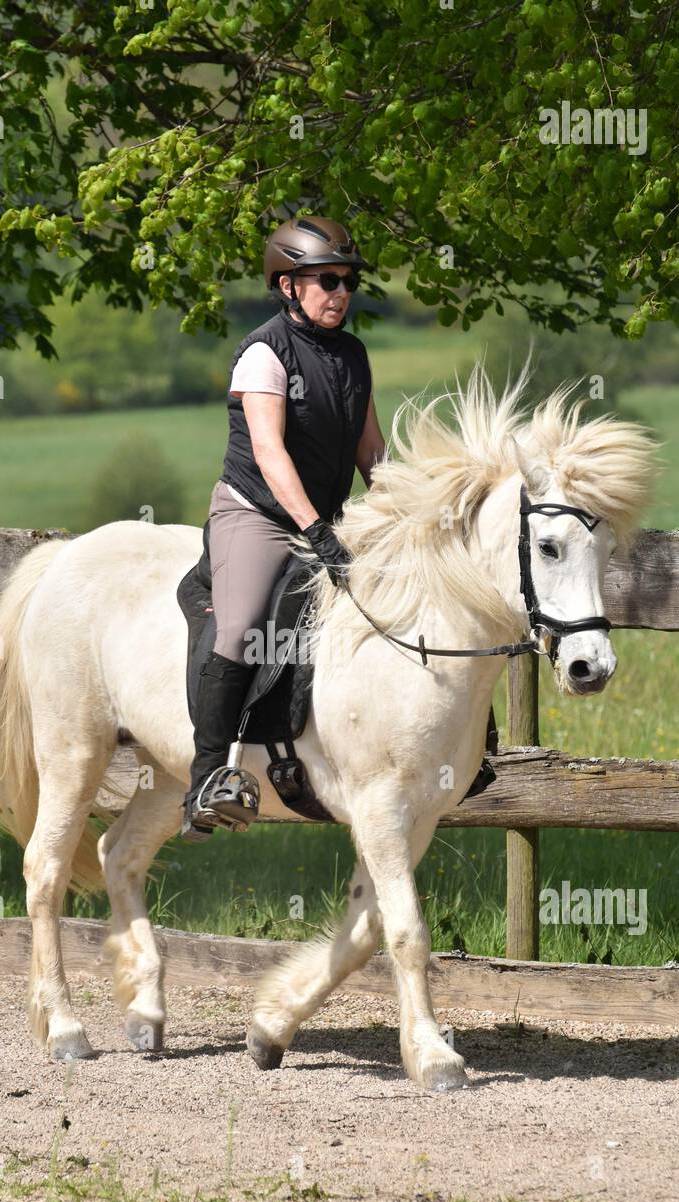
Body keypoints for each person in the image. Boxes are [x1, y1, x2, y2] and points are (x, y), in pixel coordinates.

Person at [180, 213, 386, 840]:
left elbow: (372, 453)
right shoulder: (264, 354)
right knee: (242, 626)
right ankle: (208, 779)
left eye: (348, 281)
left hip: (327, 516)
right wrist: (315, 530)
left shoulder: (353, 354)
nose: (341, 293)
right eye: (327, 280)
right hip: (259, 515)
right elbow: (270, 454)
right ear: (288, 285)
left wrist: (409, 512)